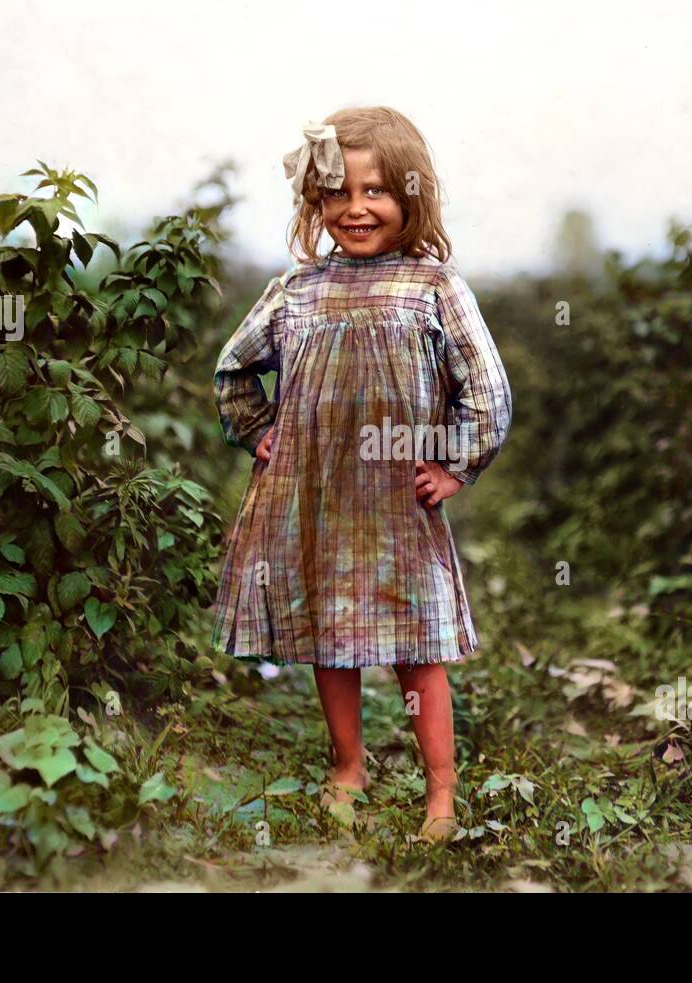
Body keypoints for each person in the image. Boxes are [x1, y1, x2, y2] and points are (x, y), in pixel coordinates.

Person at [212, 107, 512, 841]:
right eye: (337, 193)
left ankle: (441, 793)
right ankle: (349, 766)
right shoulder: (297, 290)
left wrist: (457, 465)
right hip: (314, 498)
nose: (356, 208)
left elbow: (487, 388)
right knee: (329, 631)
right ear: (314, 201)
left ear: (411, 195)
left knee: (418, 644)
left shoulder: (434, 287)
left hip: (397, 502)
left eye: (375, 190)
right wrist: (260, 430)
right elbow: (234, 368)